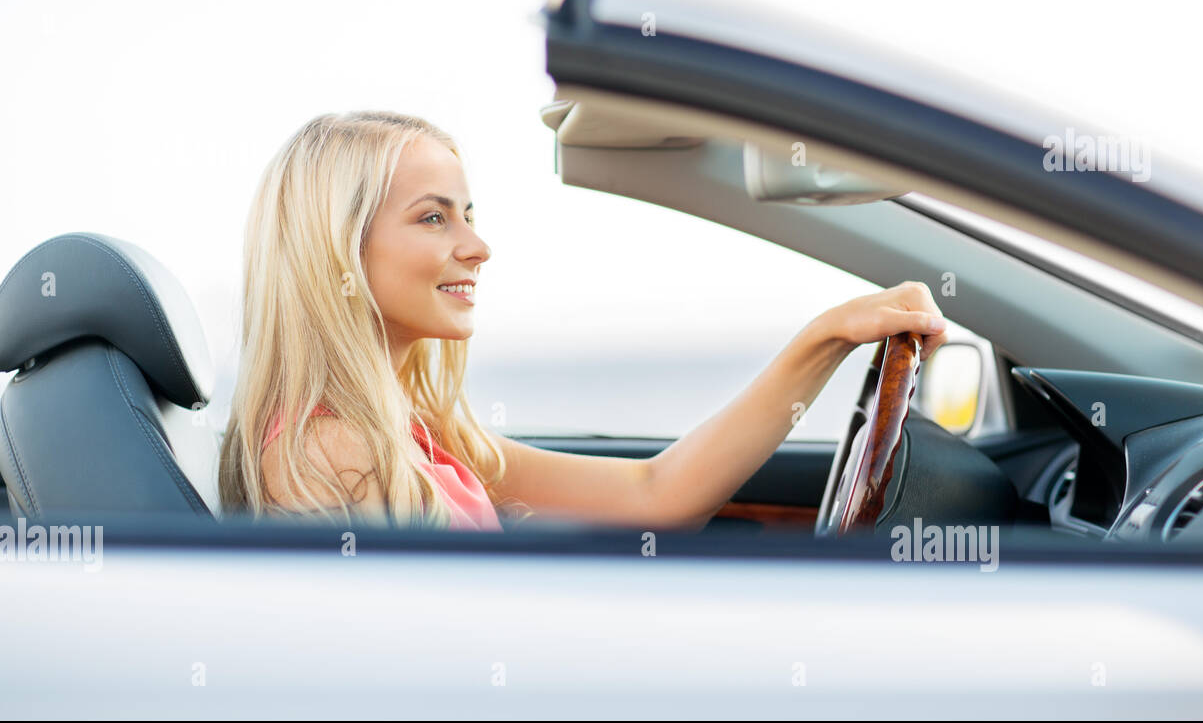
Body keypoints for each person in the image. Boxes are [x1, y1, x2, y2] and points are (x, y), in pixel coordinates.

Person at [218, 110, 947, 531]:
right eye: (433, 217)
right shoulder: (331, 454)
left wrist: (826, 336)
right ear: (335, 251)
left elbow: (655, 497)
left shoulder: (415, 434)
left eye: (468, 215)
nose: (477, 245)